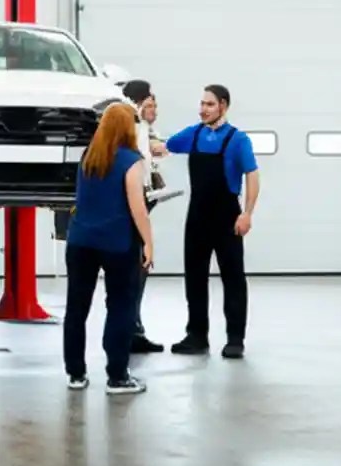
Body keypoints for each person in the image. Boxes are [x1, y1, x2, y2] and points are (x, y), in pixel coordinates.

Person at [154, 84, 260, 359]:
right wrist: (142, 130)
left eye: (209, 104)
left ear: (223, 106)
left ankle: (235, 338)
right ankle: (196, 336)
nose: (203, 109)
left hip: (227, 217)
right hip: (198, 216)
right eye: (201, 104)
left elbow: (252, 175)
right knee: (194, 277)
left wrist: (246, 213)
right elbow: (162, 146)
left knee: (233, 278)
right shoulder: (194, 134)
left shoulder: (238, 139)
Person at [63, 102, 156, 395]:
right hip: (117, 243)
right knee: (120, 306)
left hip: (80, 242)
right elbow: (137, 208)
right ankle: (117, 376)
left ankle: (75, 374)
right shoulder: (131, 160)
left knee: (77, 308)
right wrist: (149, 244)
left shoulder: (88, 156)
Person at [120, 80, 165, 354]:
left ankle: (134, 329)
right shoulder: (129, 128)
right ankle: (130, 332)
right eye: (150, 104)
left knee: (137, 272)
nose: (154, 109)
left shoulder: (142, 129)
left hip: (142, 201)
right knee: (133, 271)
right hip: (131, 207)